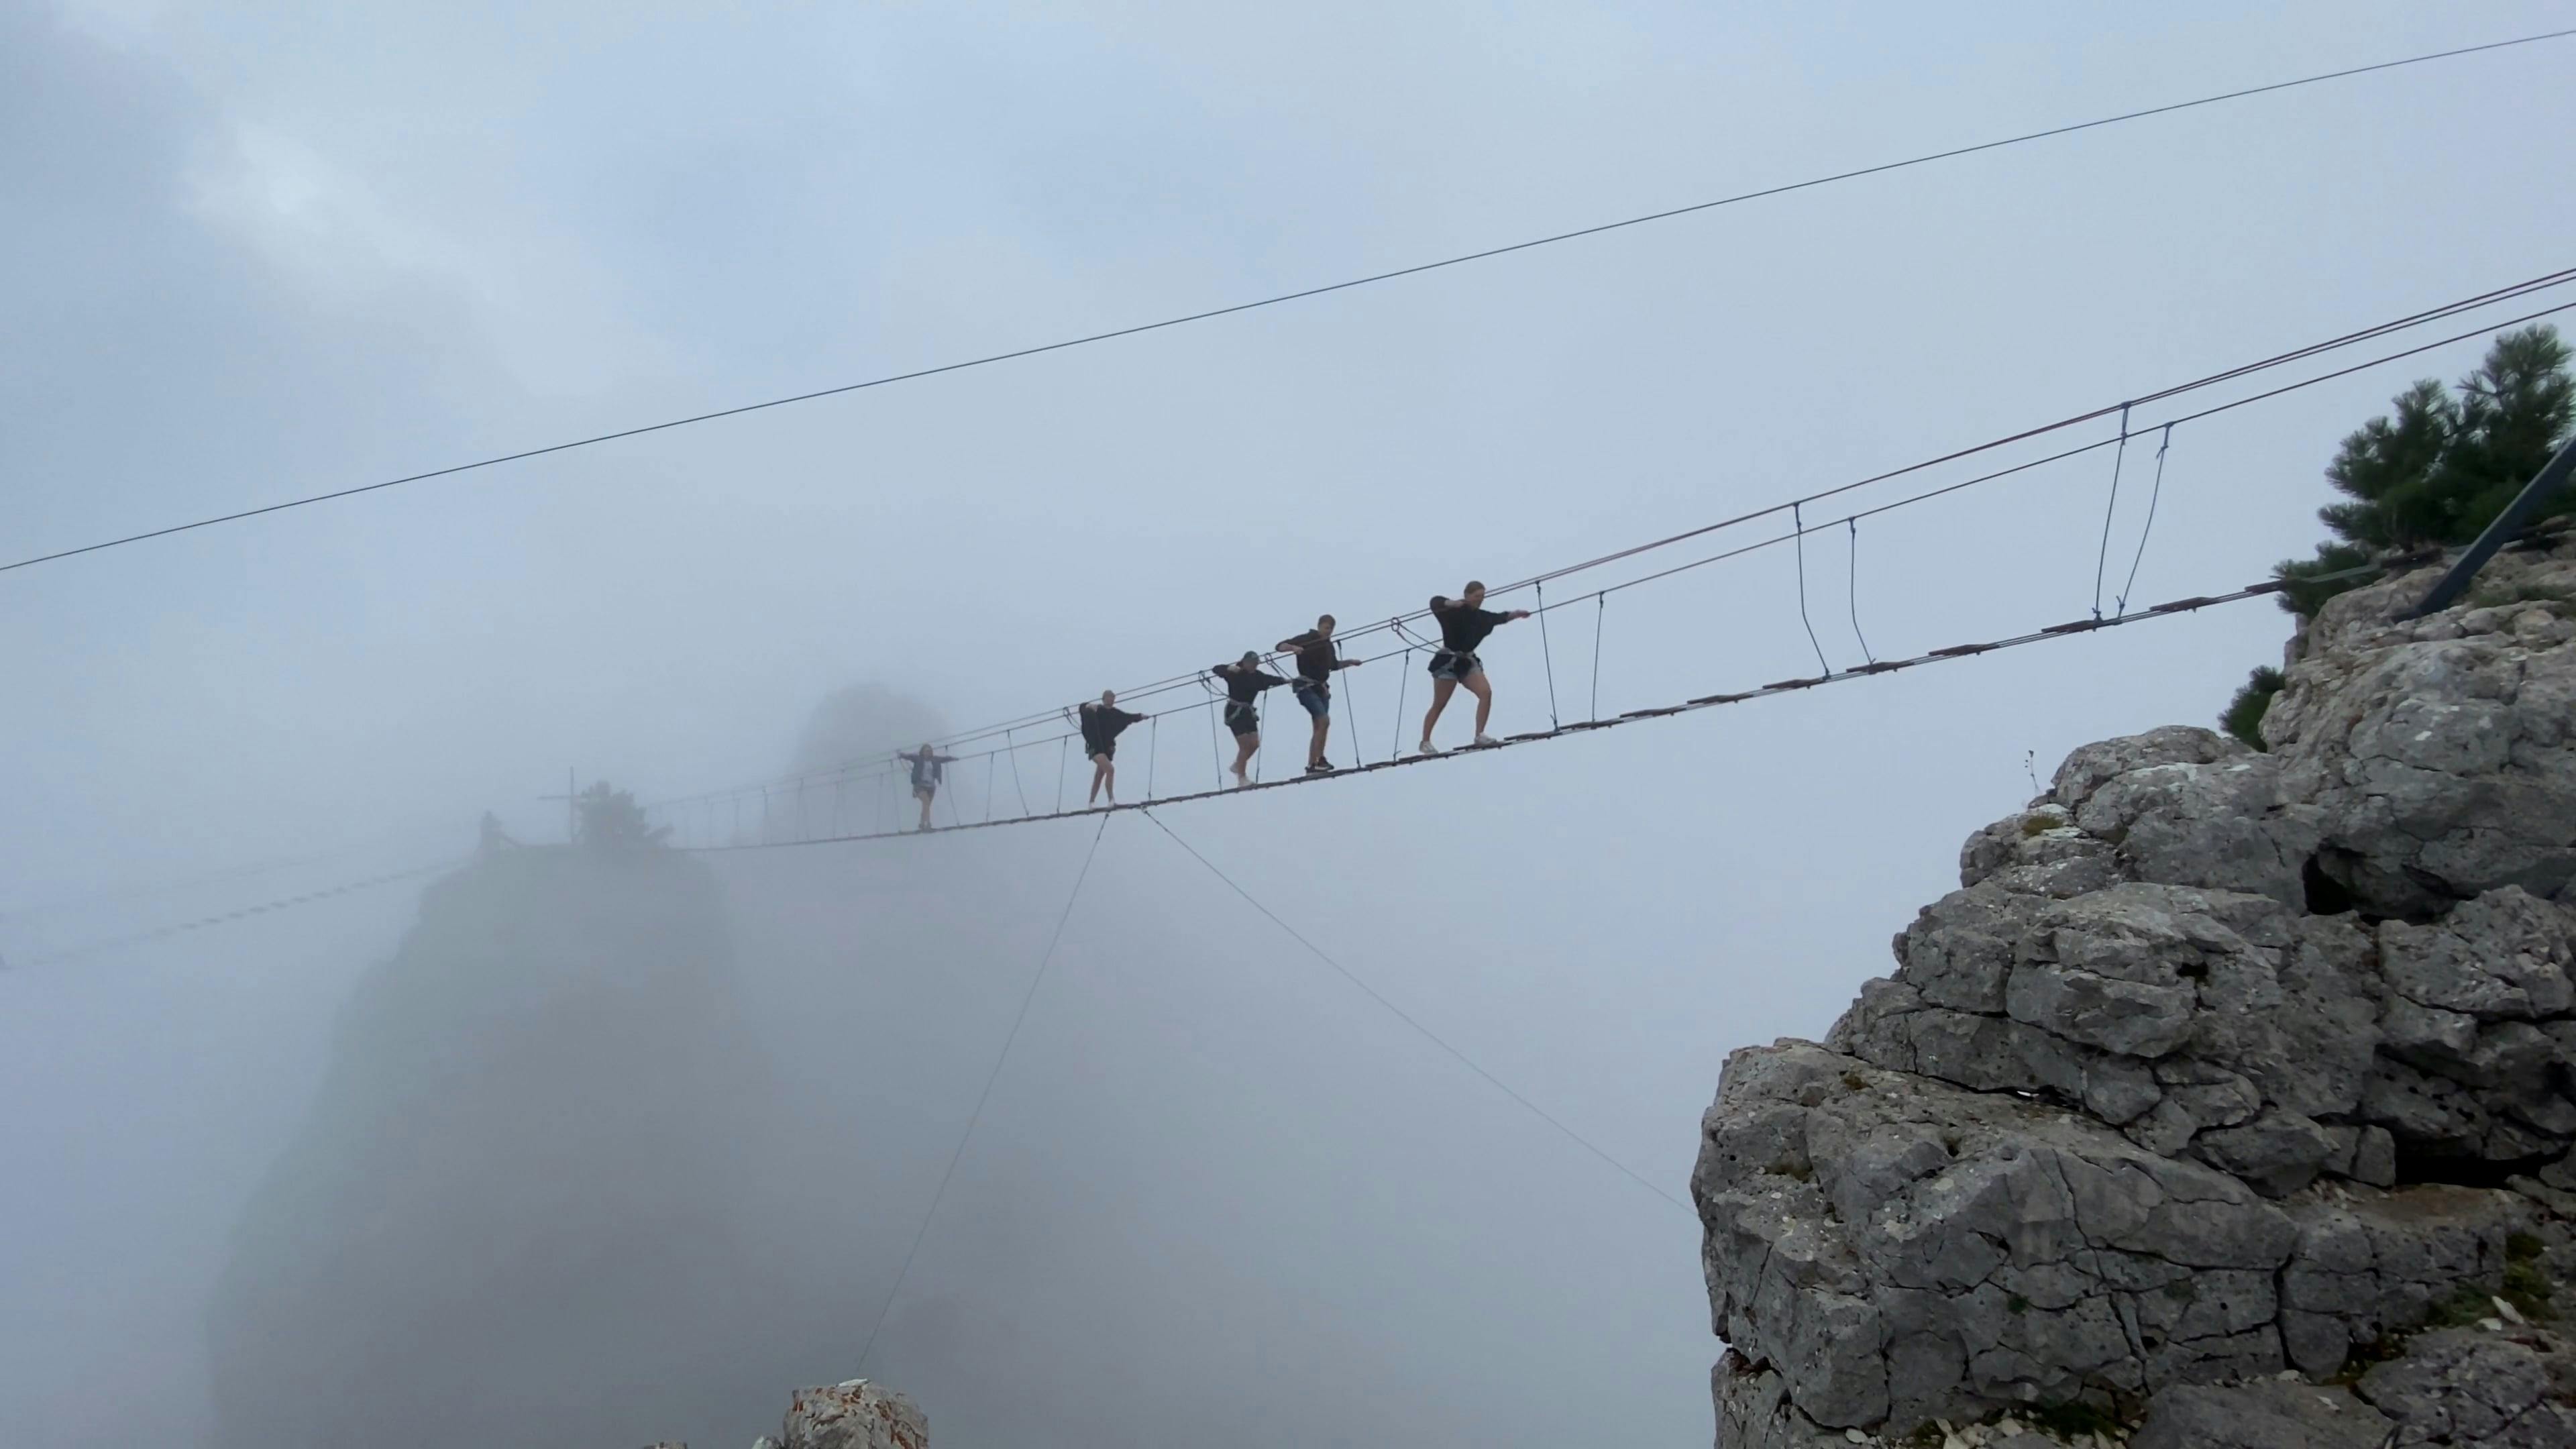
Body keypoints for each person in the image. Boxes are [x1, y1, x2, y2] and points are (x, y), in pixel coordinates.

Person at [1417, 580, 1529, 754]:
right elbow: (1435, 602)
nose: (1480, 600)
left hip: (1467, 662)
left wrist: (1516, 614)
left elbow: (1500, 618)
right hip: (1448, 662)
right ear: (1467, 595)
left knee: (1486, 693)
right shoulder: (1452, 612)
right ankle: (1425, 742)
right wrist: (1451, 603)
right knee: (1440, 704)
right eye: (1477, 596)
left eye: (1483, 597)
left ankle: (1480, 735)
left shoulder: (1482, 617)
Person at [1274, 613, 1362, 773]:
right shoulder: (1308, 638)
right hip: (1306, 687)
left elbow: (1333, 666)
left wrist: (1350, 662)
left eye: (1331, 629)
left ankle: (1312, 764)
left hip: (1321, 689)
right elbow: (1279, 646)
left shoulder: (1329, 646)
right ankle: (1319, 760)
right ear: (1320, 626)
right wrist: (1293, 648)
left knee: (1320, 726)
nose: (1329, 631)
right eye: (1327, 628)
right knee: (1324, 720)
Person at [1209, 651, 1289, 788]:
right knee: (1245, 746)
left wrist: (1286, 681)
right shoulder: (1235, 673)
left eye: (1256, 664)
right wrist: (1228, 668)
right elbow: (1216, 669)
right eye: (1251, 663)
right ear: (1244, 662)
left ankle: (1237, 765)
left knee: (1255, 744)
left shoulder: (1258, 677)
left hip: (1248, 712)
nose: (1254, 666)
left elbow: (1270, 680)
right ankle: (1242, 778)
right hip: (1235, 711)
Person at [1073, 690, 1146, 805]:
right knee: (1110, 770)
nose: (1111, 700)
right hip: (1096, 747)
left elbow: (1128, 717)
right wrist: (1086, 706)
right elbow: (1084, 709)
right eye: (1108, 697)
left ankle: (1091, 802)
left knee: (1099, 776)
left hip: (1107, 750)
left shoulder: (1115, 714)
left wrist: (1141, 716)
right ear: (1103, 699)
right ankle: (1111, 800)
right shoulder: (1097, 710)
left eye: (1113, 698)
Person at [903, 743, 959, 830]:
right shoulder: (918, 759)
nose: (929, 752)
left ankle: (921, 824)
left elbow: (944, 759)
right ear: (923, 752)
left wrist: (953, 759)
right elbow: (909, 757)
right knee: (926, 802)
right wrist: (901, 755)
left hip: (931, 787)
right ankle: (928, 824)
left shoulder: (935, 759)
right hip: (920, 786)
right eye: (927, 751)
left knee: (927, 805)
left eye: (930, 751)